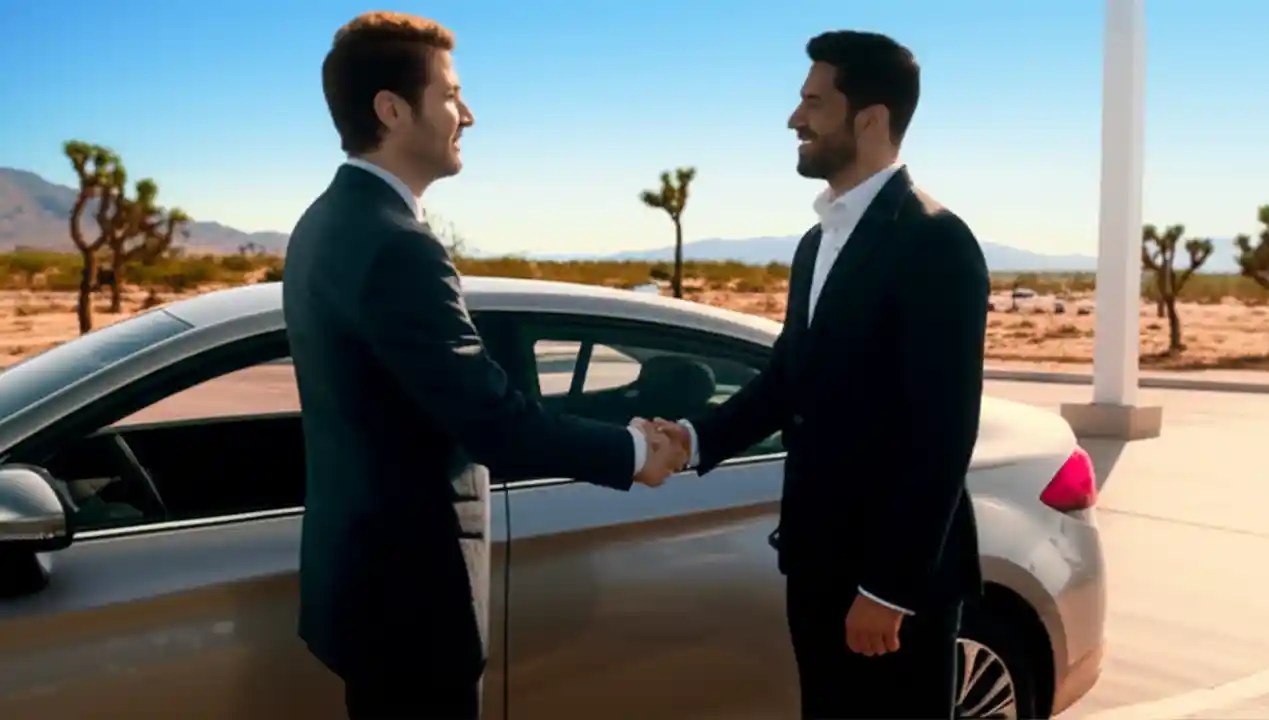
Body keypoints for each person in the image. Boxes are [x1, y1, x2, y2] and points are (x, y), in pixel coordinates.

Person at [282, 12, 687, 720]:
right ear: (392, 109)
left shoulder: (324, 223)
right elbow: (492, 422)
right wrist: (633, 452)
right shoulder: (397, 246)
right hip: (413, 604)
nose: (467, 114)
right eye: (450, 95)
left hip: (365, 587)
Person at [645, 30, 989, 719]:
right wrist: (693, 439)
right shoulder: (817, 242)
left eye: (813, 102)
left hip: (889, 590)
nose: (794, 119)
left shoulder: (936, 242)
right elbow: (787, 381)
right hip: (816, 563)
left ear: (870, 119)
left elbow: (944, 436)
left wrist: (889, 590)